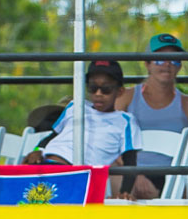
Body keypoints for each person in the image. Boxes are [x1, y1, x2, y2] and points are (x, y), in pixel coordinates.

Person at [118, 32, 188, 200]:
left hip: (176, 180)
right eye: (160, 59)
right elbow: (107, 140)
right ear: (147, 63)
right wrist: (133, 175)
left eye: (174, 59)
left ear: (179, 66)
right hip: (132, 175)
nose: (167, 65)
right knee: (118, 186)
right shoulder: (126, 98)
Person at [24, 59, 140, 195]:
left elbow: (130, 161)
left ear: (120, 91)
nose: (98, 93)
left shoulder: (125, 121)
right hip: (41, 165)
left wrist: (125, 192)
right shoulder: (75, 106)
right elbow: (53, 136)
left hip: (75, 174)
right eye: (92, 87)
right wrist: (38, 150)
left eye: (106, 89)